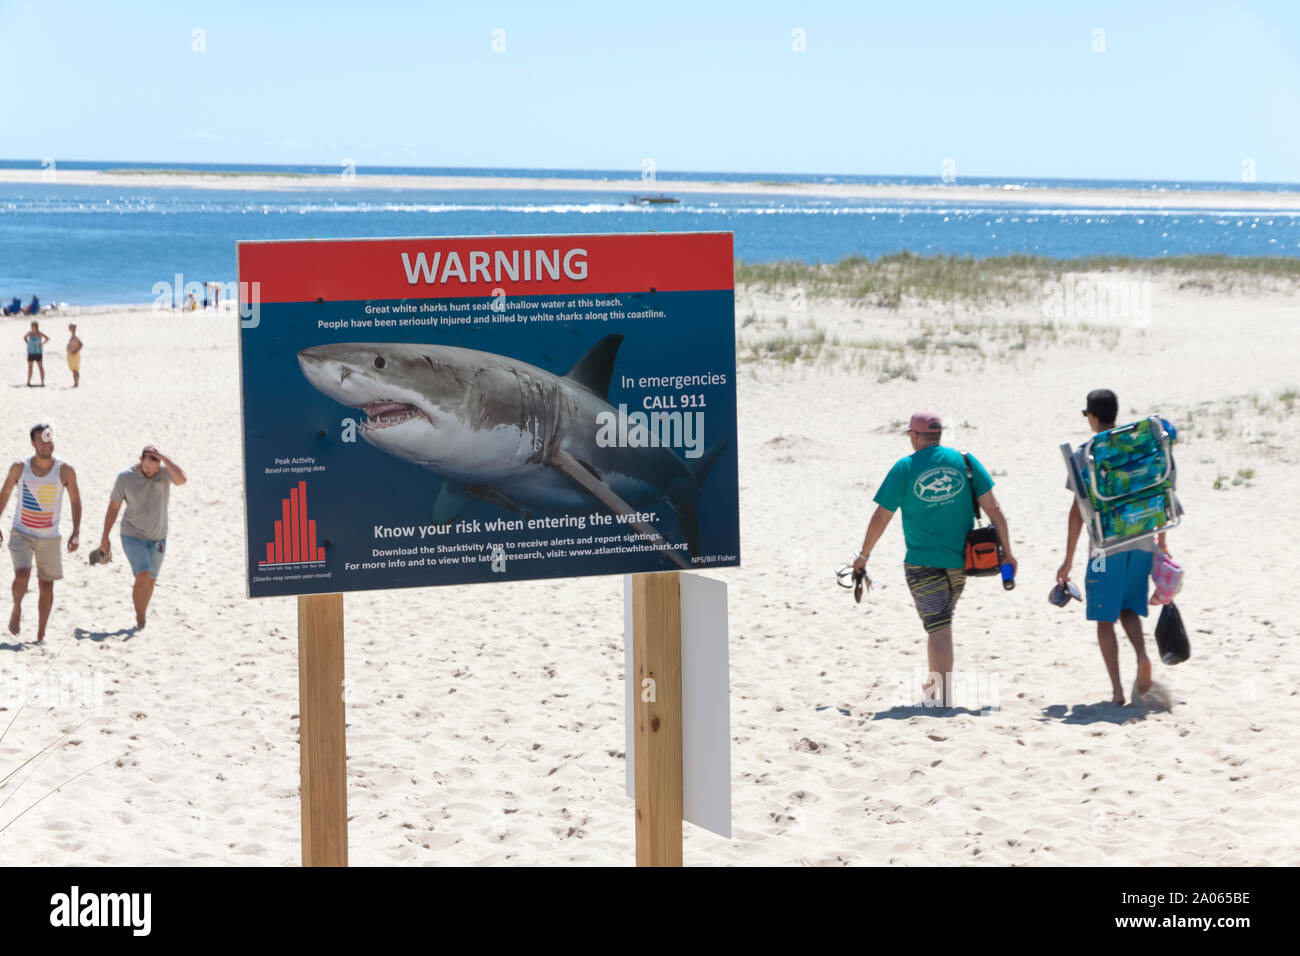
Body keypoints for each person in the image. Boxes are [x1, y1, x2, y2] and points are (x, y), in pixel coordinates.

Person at [852, 412, 1016, 707]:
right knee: (940, 623)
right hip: (961, 562)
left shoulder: (905, 467)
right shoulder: (965, 462)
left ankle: (944, 699)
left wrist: (864, 555)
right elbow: (995, 509)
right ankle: (933, 687)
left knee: (938, 627)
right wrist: (1009, 552)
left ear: (914, 436)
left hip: (922, 562)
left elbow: (881, 516)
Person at [1056, 389, 1170, 706]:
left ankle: (1118, 692)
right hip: (1143, 541)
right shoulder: (1139, 446)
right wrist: (1162, 542)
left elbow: (1077, 511)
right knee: (1129, 608)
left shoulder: (1085, 453)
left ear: (1092, 417)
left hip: (1104, 552)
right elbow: (1157, 491)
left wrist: (1067, 559)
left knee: (1104, 617)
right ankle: (1143, 656)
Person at [0, 425, 82, 642]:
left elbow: (75, 500)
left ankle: (40, 634)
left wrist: (76, 532)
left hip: (49, 536)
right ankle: (17, 607)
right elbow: (6, 492)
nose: (47, 444)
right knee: (22, 576)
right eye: (42, 440)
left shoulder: (65, 470)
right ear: (33, 443)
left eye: (49, 439)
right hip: (22, 532)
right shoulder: (20, 467)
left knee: (46, 585)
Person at [99, 445, 187, 630]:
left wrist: (164, 457)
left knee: (151, 581)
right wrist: (105, 536)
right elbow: (113, 507)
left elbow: (182, 480)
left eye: (154, 468)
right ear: (141, 460)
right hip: (132, 535)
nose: (150, 471)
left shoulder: (164, 473)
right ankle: (140, 621)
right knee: (143, 574)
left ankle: (142, 614)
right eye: (147, 467)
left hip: (158, 538)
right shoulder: (125, 478)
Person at [24, 321, 49, 387]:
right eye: (32, 326)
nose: (33, 327)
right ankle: (28, 382)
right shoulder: (30, 333)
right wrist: (27, 343)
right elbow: (24, 337)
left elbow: (47, 338)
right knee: (30, 368)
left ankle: (42, 382)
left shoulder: (39, 333)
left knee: (40, 367)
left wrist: (42, 344)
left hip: (38, 353)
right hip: (30, 352)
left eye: (34, 326)